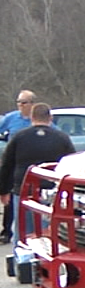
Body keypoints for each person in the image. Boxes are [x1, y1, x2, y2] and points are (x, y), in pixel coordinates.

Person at [0, 103, 75, 246]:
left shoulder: (19, 137)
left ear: (31, 117)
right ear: (50, 118)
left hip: (24, 190)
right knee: (50, 234)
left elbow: (7, 165)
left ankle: (23, 263)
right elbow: (71, 165)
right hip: (52, 192)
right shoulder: (62, 138)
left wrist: (3, 190)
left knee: (23, 235)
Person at [0, 90, 37, 244]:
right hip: (14, 162)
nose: (20, 106)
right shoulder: (11, 118)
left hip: (32, 164)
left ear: (32, 104)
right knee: (10, 198)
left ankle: (32, 232)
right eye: (18, 102)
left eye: (24, 102)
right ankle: (7, 231)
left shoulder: (36, 120)